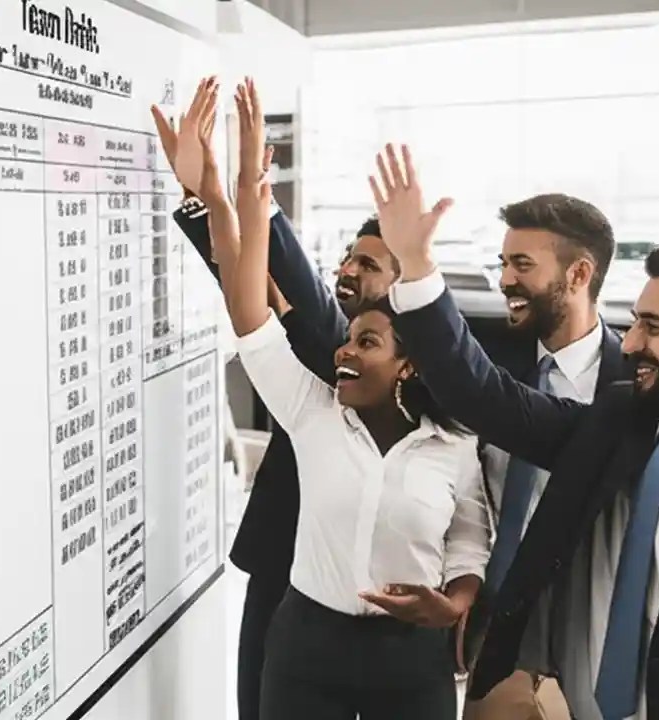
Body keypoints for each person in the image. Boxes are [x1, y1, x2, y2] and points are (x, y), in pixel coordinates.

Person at [363, 144, 659, 719]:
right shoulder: (617, 422)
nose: (632, 342)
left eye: (652, 327)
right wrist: (416, 264)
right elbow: (484, 397)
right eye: (635, 321)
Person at [208, 79, 489, 720]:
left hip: (412, 659)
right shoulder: (313, 412)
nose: (345, 351)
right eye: (348, 339)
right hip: (307, 646)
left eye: (367, 342)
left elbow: (470, 538)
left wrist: (454, 602)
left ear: (409, 362)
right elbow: (248, 311)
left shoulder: (454, 443)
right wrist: (249, 184)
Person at [151, 78, 400, 720]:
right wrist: (206, 197)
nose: (347, 270)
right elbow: (248, 283)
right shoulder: (323, 344)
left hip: (378, 612)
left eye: (369, 265)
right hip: (281, 569)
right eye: (348, 258)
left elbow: (296, 293)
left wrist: (247, 194)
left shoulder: (419, 378)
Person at [460, 194, 627, 720]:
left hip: (594, 636)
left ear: (579, 274)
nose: (505, 279)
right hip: (493, 630)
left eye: (522, 264)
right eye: (503, 263)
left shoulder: (636, 386)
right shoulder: (484, 369)